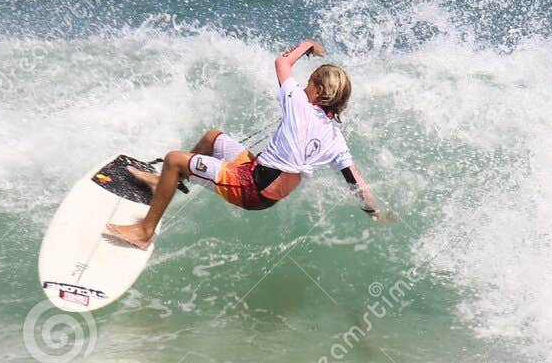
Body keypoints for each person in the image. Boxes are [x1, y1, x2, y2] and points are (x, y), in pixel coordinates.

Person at [105, 40, 387, 249]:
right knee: (212, 137)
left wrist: (308, 45)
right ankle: (161, 182)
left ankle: (144, 232)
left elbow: (282, 62)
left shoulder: (299, 103)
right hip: (259, 175)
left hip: (251, 188)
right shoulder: (336, 139)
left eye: (309, 83)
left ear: (319, 92)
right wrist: (374, 213)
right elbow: (356, 181)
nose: (302, 86)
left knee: (175, 159)